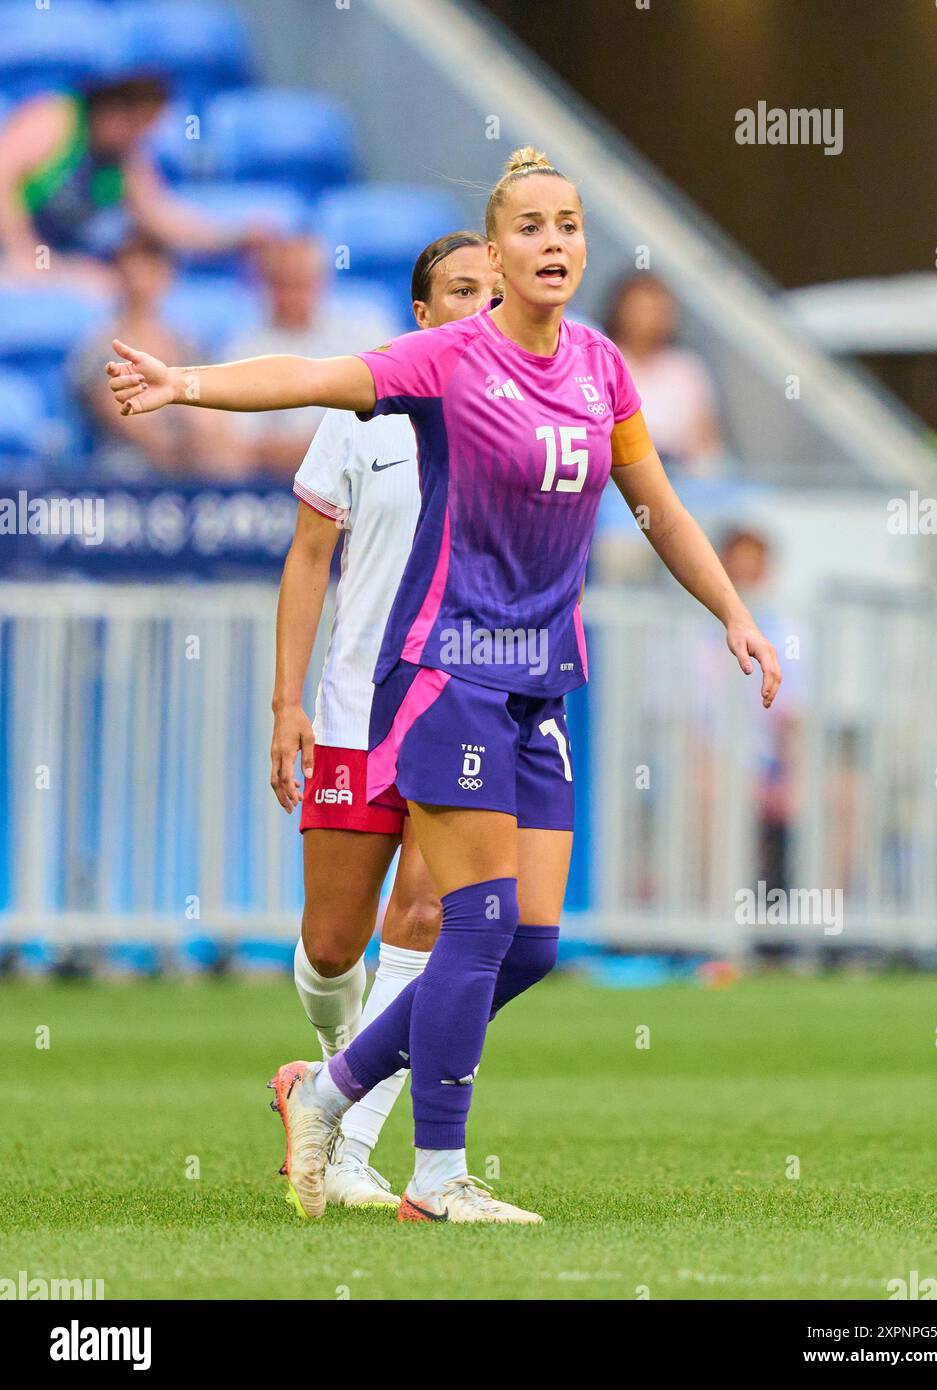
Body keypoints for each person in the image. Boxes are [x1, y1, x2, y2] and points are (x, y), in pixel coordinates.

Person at [106, 146, 781, 1226]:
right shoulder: (451, 359)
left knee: (532, 942)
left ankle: (326, 1090)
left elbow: (652, 502)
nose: (552, 243)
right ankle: (436, 1176)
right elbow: (317, 378)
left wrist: (733, 612)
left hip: (539, 679)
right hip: (446, 668)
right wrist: (187, 383)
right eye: (529, 228)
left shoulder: (605, 368)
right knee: (468, 920)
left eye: (567, 224)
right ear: (496, 251)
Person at [269, 230, 503, 1208]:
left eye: (494, 294)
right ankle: (324, 1075)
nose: (481, 309)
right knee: (333, 943)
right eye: (460, 291)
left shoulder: (520, 418)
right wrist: (287, 701)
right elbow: (310, 557)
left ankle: (352, 1141)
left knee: (427, 917)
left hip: (458, 707)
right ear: (420, 314)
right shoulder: (364, 409)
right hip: (356, 706)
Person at [0, 76, 263, 288]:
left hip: (53, 263)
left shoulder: (127, 156)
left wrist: (233, 237)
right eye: (134, 123)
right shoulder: (58, 118)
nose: (137, 136)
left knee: (112, 284)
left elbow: (161, 218)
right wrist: (24, 251)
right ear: (111, 107)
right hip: (13, 254)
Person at [222, 236, 399, 476]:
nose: (292, 294)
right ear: (264, 284)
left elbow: (391, 411)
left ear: (322, 281)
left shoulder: (365, 329)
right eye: (282, 283)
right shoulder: (243, 348)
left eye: (302, 282)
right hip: (275, 485)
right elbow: (242, 444)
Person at [71, 231, 234, 479]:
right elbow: (118, 413)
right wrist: (168, 451)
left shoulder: (186, 342)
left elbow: (211, 406)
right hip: (125, 459)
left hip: (192, 453)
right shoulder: (98, 346)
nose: (142, 279)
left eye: (152, 267)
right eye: (134, 269)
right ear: (119, 274)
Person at [603, 271, 722, 476]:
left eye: (655, 310)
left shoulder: (686, 367)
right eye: (639, 310)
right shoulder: (600, 362)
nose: (647, 320)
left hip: (679, 476)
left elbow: (705, 439)